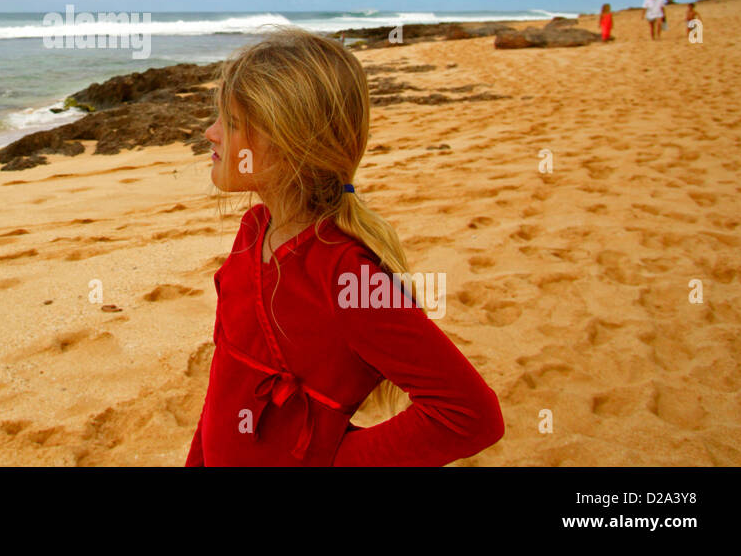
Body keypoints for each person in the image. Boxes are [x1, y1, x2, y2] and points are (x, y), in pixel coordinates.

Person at [186, 27, 504, 466]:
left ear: (291, 142)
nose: (211, 133)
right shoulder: (253, 230)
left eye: (233, 122)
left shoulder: (345, 272)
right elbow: (225, 384)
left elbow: (469, 415)